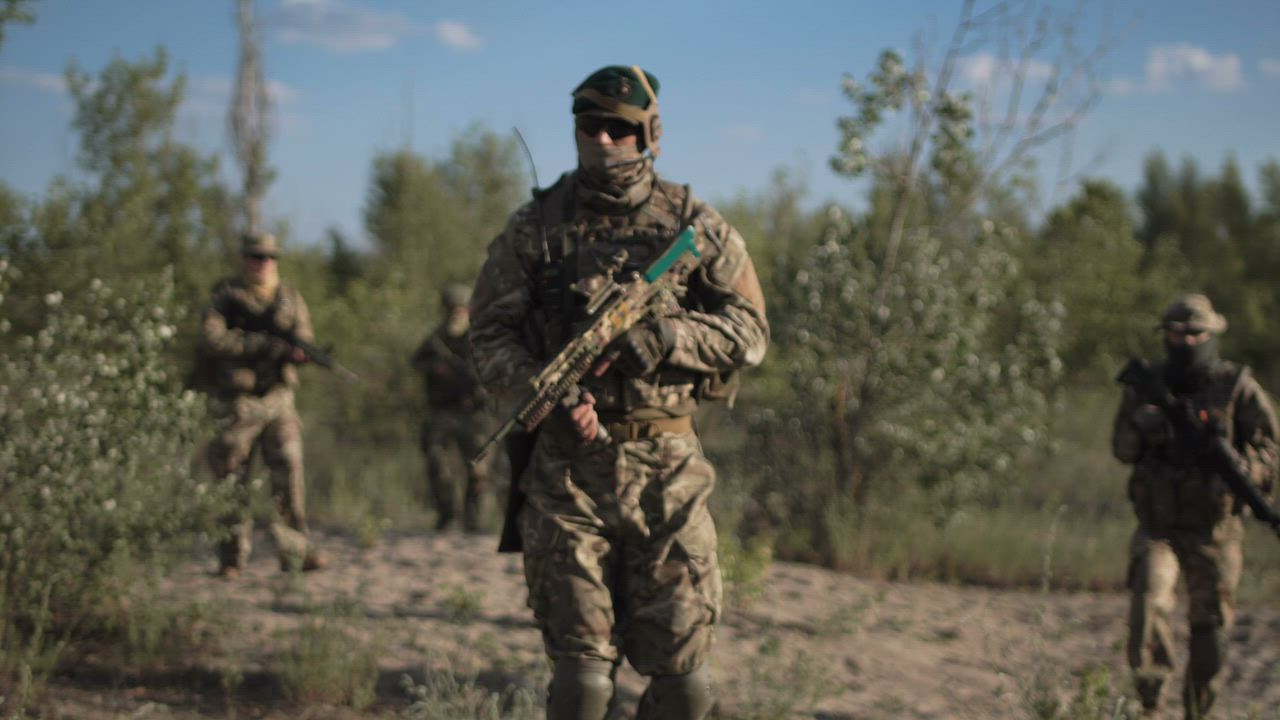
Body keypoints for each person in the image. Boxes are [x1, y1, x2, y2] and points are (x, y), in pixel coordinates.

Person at [469, 65, 768, 720]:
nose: (603, 140)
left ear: (649, 133)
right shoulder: (536, 228)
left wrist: (668, 338)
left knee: (685, 689)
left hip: (669, 477)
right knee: (582, 686)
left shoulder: (693, 224)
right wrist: (541, 387)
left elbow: (751, 333)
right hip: (568, 476)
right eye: (589, 125)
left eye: (619, 128)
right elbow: (486, 335)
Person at [1112, 293, 1278, 718]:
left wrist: (1245, 467)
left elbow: (1271, 451)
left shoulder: (1236, 385)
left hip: (1215, 531)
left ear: (1212, 334)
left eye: (1195, 333)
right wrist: (1146, 426)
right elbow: (1122, 450)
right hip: (1158, 527)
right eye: (1176, 333)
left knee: (1210, 632)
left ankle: (1197, 713)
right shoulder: (1146, 384)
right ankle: (1151, 706)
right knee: (1148, 604)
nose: (1186, 341)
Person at [196, 231, 326, 578]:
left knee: (289, 473)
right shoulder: (226, 296)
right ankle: (230, 558)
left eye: (269, 257)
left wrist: (296, 353)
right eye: (256, 256)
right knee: (233, 480)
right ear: (244, 259)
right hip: (238, 403)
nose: (263, 263)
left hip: (278, 399)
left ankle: (296, 553)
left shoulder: (289, 297)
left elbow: (305, 338)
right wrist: (257, 345)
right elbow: (211, 339)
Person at [410, 284, 494, 532]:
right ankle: (447, 515)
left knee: (478, 470)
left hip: (474, 414)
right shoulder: (437, 339)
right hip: (443, 411)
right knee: (437, 461)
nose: (456, 314)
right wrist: (436, 368)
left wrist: (479, 391)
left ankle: (473, 520)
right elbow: (417, 362)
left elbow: (494, 372)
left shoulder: (480, 338)